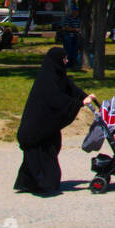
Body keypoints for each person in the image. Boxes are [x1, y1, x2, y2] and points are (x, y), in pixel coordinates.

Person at [14, 46, 97, 194]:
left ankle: (32, 182)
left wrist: (85, 96)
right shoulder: (47, 79)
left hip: (46, 126)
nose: (66, 61)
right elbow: (56, 100)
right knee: (42, 153)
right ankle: (43, 184)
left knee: (50, 148)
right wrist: (79, 103)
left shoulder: (58, 75)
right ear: (56, 60)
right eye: (63, 58)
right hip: (37, 127)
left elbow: (71, 88)